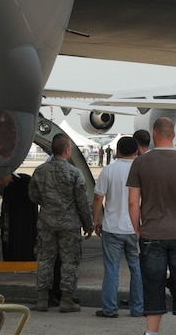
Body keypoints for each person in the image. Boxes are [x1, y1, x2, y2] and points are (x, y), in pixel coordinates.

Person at [126, 116, 176, 335]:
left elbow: (133, 201)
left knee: (153, 284)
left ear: (155, 134)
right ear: (172, 135)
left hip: (152, 233)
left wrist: (137, 228)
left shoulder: (141, 163)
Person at [30, 133, 93, 312]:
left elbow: (33, 195)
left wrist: (48, 204)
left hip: (46, 222)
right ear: (67, 150)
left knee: (45, 260)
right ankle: (66, 300)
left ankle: (42, 298)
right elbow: (82, 201)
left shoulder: (40, 171)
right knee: (69, 262)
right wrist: (88, 225)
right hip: (69, 224)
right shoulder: (74, 173)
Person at [92, 134, 142, 319]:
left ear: (117, 151)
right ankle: (138, 308)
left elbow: (98, 197)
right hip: (135, 228)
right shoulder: (141, 171)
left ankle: (110, 308)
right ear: (136, 151)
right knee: (136, 269)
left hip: (112, 227)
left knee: (112, 268)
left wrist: (96, 219)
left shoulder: (109, 170)